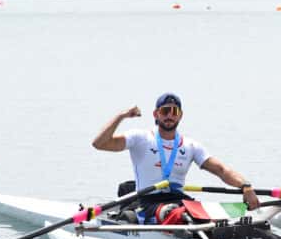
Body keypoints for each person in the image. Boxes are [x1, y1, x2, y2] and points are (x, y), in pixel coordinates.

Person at [92, 93, 260, 223]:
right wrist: (121, 116)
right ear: (156, 114)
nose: (169, 116)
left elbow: (222, 170)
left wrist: (246, 186)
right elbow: (99, 143)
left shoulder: (190, 146)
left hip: (179, 201)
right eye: (165, 111)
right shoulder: (140, 138)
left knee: (206, 211)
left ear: (180, 116)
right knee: (175, 212)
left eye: (174, 111)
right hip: (147, 203)